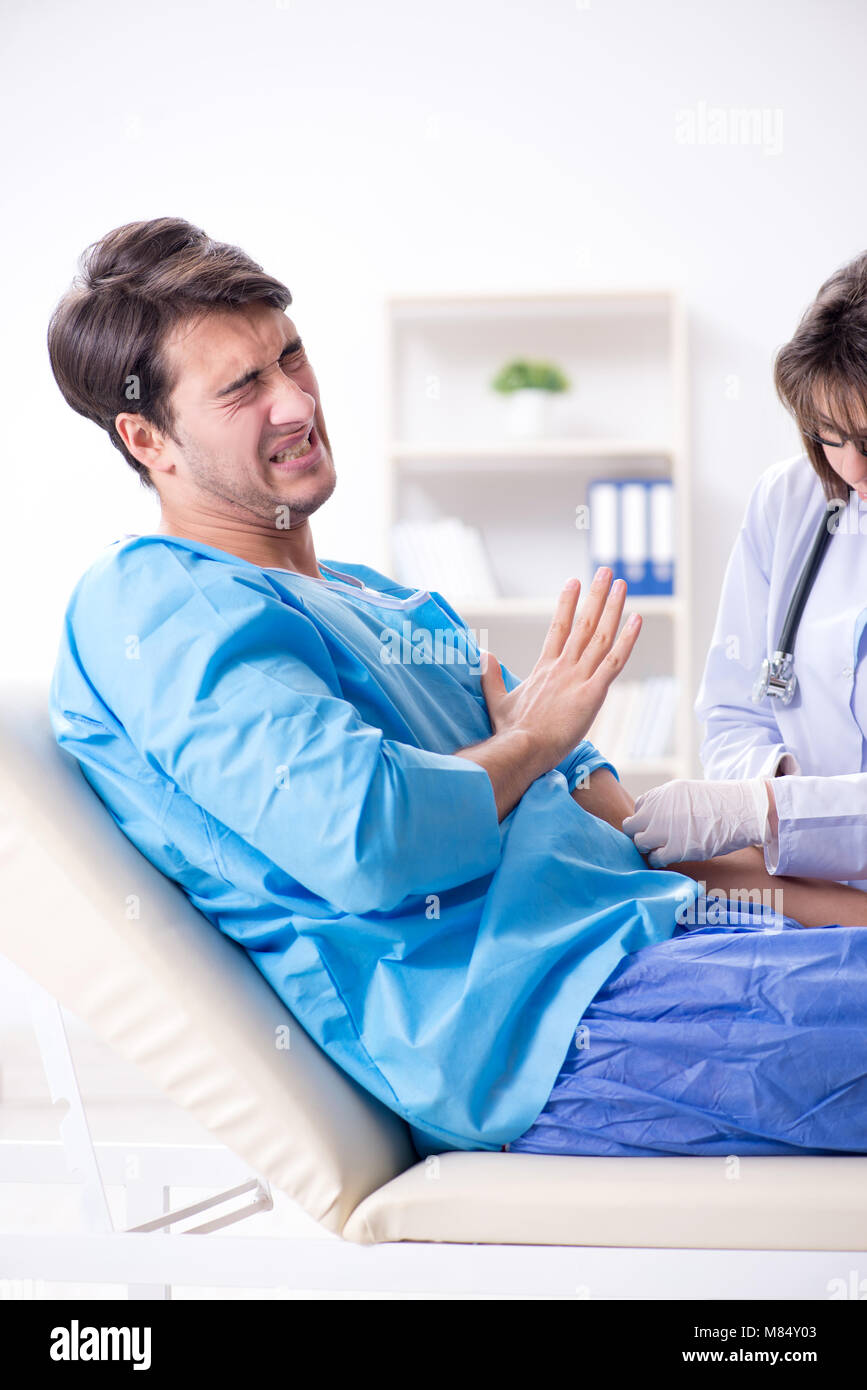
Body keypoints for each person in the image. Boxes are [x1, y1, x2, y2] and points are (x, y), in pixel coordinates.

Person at [47, 218, 867, 1162]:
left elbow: (624, 839)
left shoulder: (383, 601)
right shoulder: (157, 603)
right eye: (242, 388)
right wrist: (528, 746)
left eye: (291, 355)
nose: (295, 402)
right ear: (148, 437)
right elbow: (371, 837)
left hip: (664, 947)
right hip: (549, 1028)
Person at [623, 251, 867, 890]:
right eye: (830, 436)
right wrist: (776, 800)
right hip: (808, 886)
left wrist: (763, 809)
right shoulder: (787, 502)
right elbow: (734, 717)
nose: (853, 471)